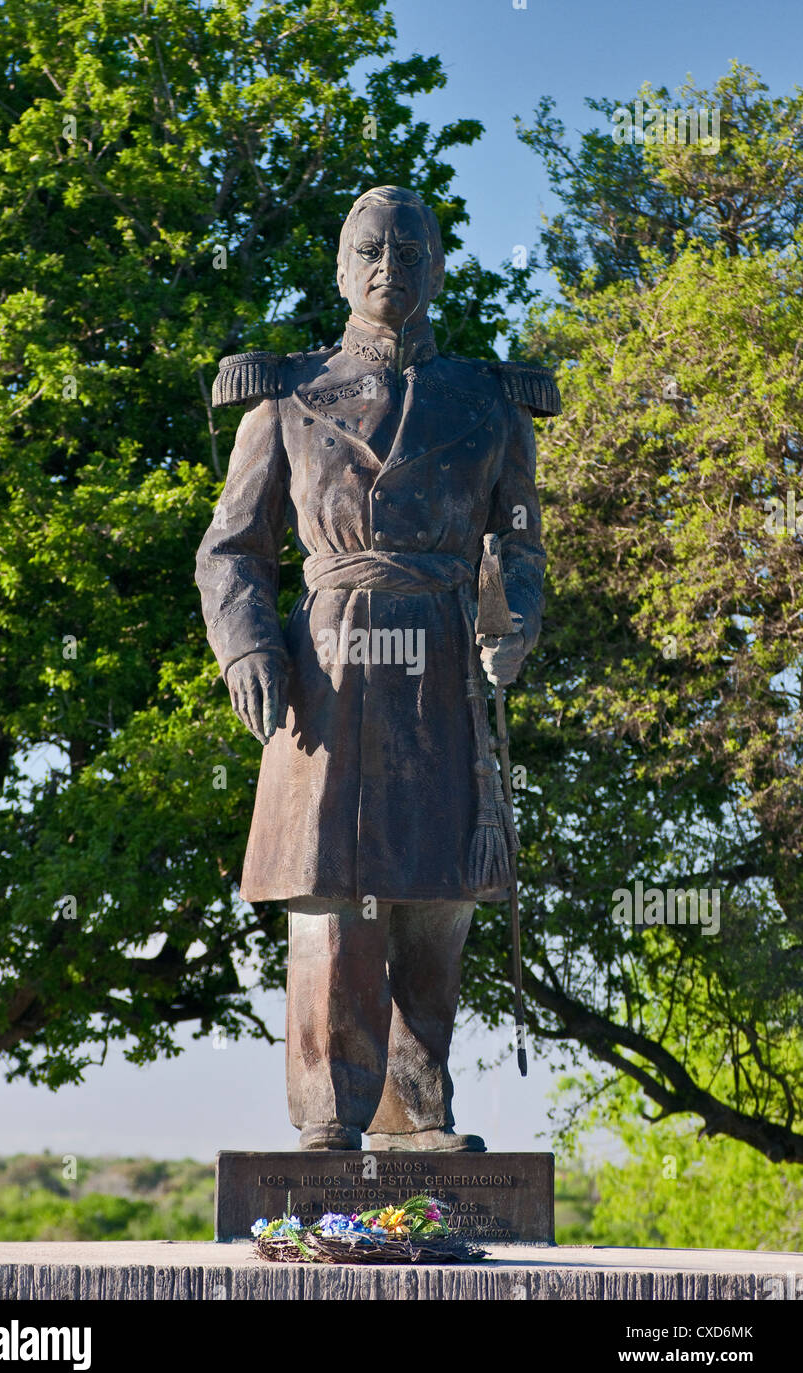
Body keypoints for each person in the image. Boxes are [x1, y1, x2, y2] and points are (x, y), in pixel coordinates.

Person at [195, 186, 559, 1151]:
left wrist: (512, 619)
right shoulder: (286, 397)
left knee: (436, 894)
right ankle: (328, 1115)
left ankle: (413, 1111)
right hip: (327, 664)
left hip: (441, 658)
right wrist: (247, 644)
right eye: (368, 250)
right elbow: (232, 547)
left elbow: (518, 542)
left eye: (407, 251)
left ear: (437, 267)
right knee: (331, 888)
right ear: (339, 268)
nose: (387, 267)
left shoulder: (489, 401)